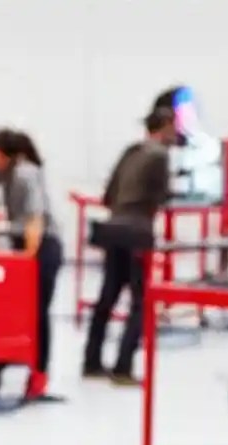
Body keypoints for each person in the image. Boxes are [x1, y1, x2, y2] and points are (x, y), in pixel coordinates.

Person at [83, 108, 176, 385]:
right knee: (140, 303)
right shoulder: (160, 156)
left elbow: (109, 194)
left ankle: (91, 361)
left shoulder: (131, 151)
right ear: (166, 126)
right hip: (137, 232)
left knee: (107, 297)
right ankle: (123, 367)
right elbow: (162, 195)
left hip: (113, 228)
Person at [0, 129, 64, 400]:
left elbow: (35, 219)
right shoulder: (7, 176)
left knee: (37, 312)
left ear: (7, 154)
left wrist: (27, 259)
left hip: (42, 247)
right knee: (6, 311)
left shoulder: (26, 172)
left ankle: (39, 375)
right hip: (22, 247)